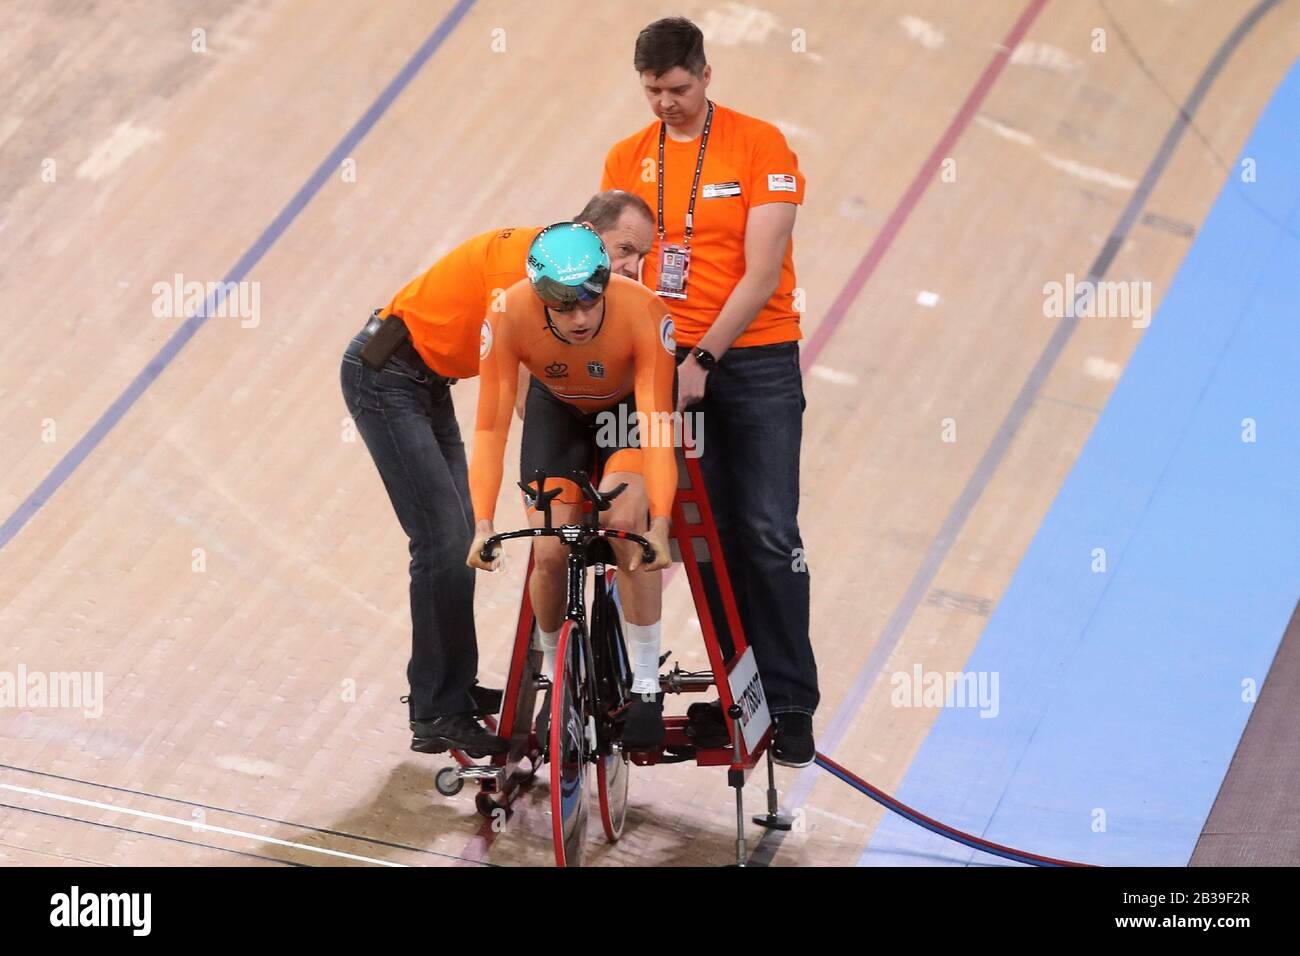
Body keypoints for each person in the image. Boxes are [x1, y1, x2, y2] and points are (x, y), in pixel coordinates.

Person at [340, 192, 654, 757]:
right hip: (386, 379)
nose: (632, 266)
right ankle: (438, 711)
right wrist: (554, 483)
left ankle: (448, 687)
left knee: (453, 539)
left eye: (640, 256)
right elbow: (530, 396)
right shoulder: (528, 279)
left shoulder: (561, 270)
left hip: (425, 382)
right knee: (443, 540)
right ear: (586, 230)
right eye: (625, 249)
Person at [600, 17, 820, 766]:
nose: (666, 102)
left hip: (751, 362)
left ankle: (791, 701)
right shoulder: (628, 158)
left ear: (707, 74)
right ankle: (743, 689)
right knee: (706, 538)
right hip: (669, 365)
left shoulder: (762, 146)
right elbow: (618, 263)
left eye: (679, 88)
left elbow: (762, 273)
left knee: (767, 532)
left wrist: (703, 356)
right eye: (653, 90)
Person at [466, 223, 677, 749]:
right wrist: (483, 523)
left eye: (589, 301)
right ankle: (555, 675)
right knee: (550, 549)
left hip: (626, 415)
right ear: (539, 296)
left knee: (626, 527)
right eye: (563, 307)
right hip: (556, 414)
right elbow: (491, 426)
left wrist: (662, 521)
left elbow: (655, 420)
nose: (580, 318)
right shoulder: (507, 313)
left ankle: (647, 685)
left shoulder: (644, 311)